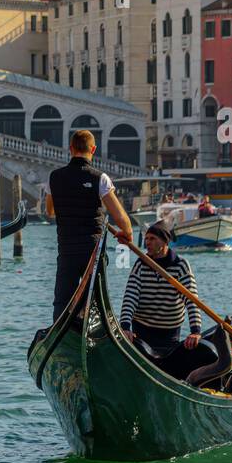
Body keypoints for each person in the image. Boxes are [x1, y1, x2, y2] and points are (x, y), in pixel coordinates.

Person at [46, 129, 134, 321]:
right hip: (91, 251)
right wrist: (126, 233)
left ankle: (60, 332)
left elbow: (50, 211)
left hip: (67, 250)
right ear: (93, 149)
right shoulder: (100, 178)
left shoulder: (54, 177)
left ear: (70, 149)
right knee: (94, 300)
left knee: (62, 301)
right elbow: (120, 217)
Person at [120, 221, 202, 351]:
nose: (147, 242)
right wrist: (125, 327)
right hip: (141, 330)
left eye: (152, 238)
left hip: (169, 333)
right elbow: (130, 296)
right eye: (146, 238)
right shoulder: (141, 264)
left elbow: (191, 299)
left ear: (165, 242)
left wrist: (195, 331)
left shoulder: (180, 265)